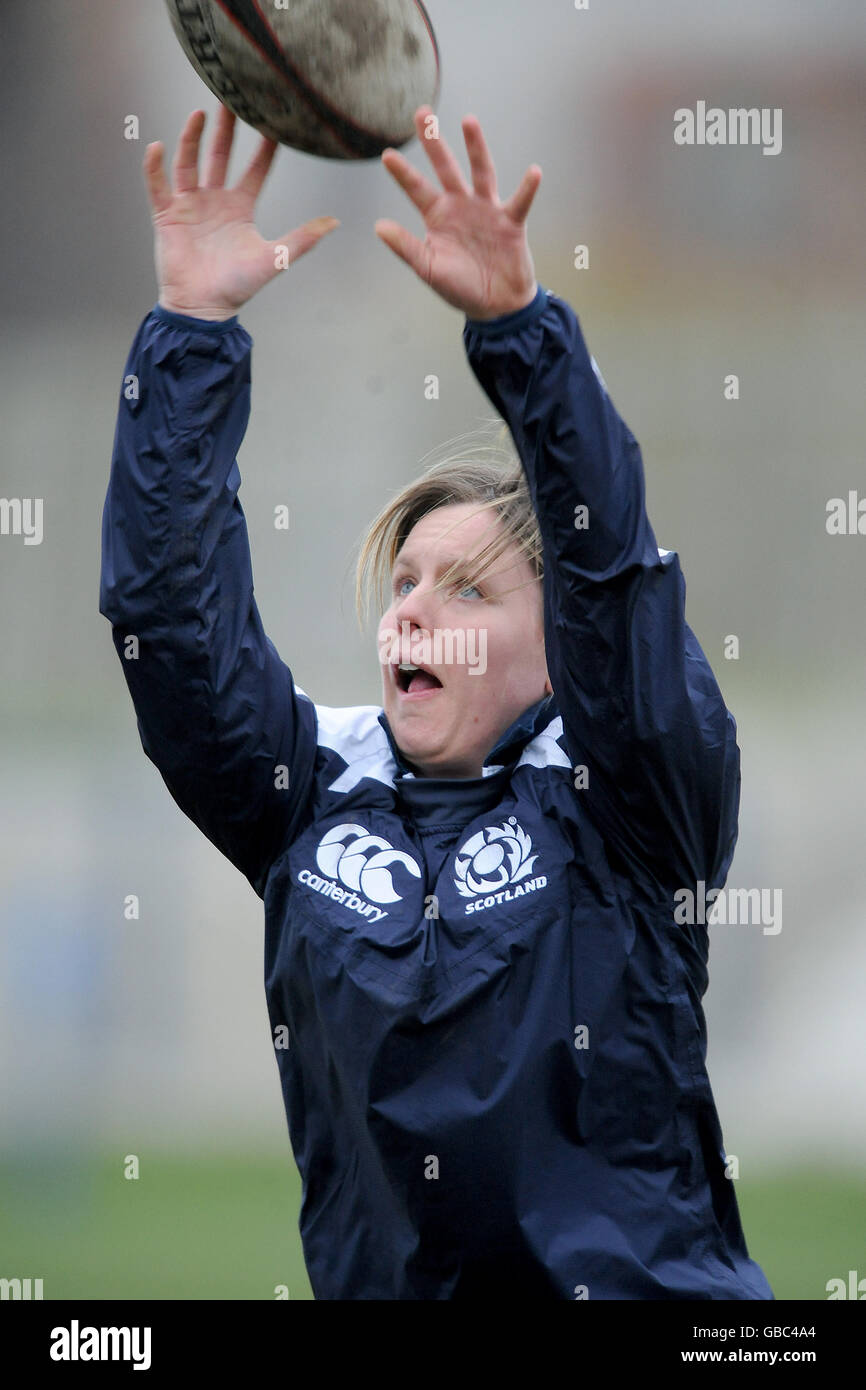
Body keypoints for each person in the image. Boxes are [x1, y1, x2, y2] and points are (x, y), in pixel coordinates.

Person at [99, 103, 774, 1301]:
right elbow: (170, 620)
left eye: (464, 588)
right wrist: (190, 330)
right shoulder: (306, 798)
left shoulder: (630, 810)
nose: (409, 609)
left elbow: (614, 580)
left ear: (555, 647)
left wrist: (520, 332)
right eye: (402, 582)